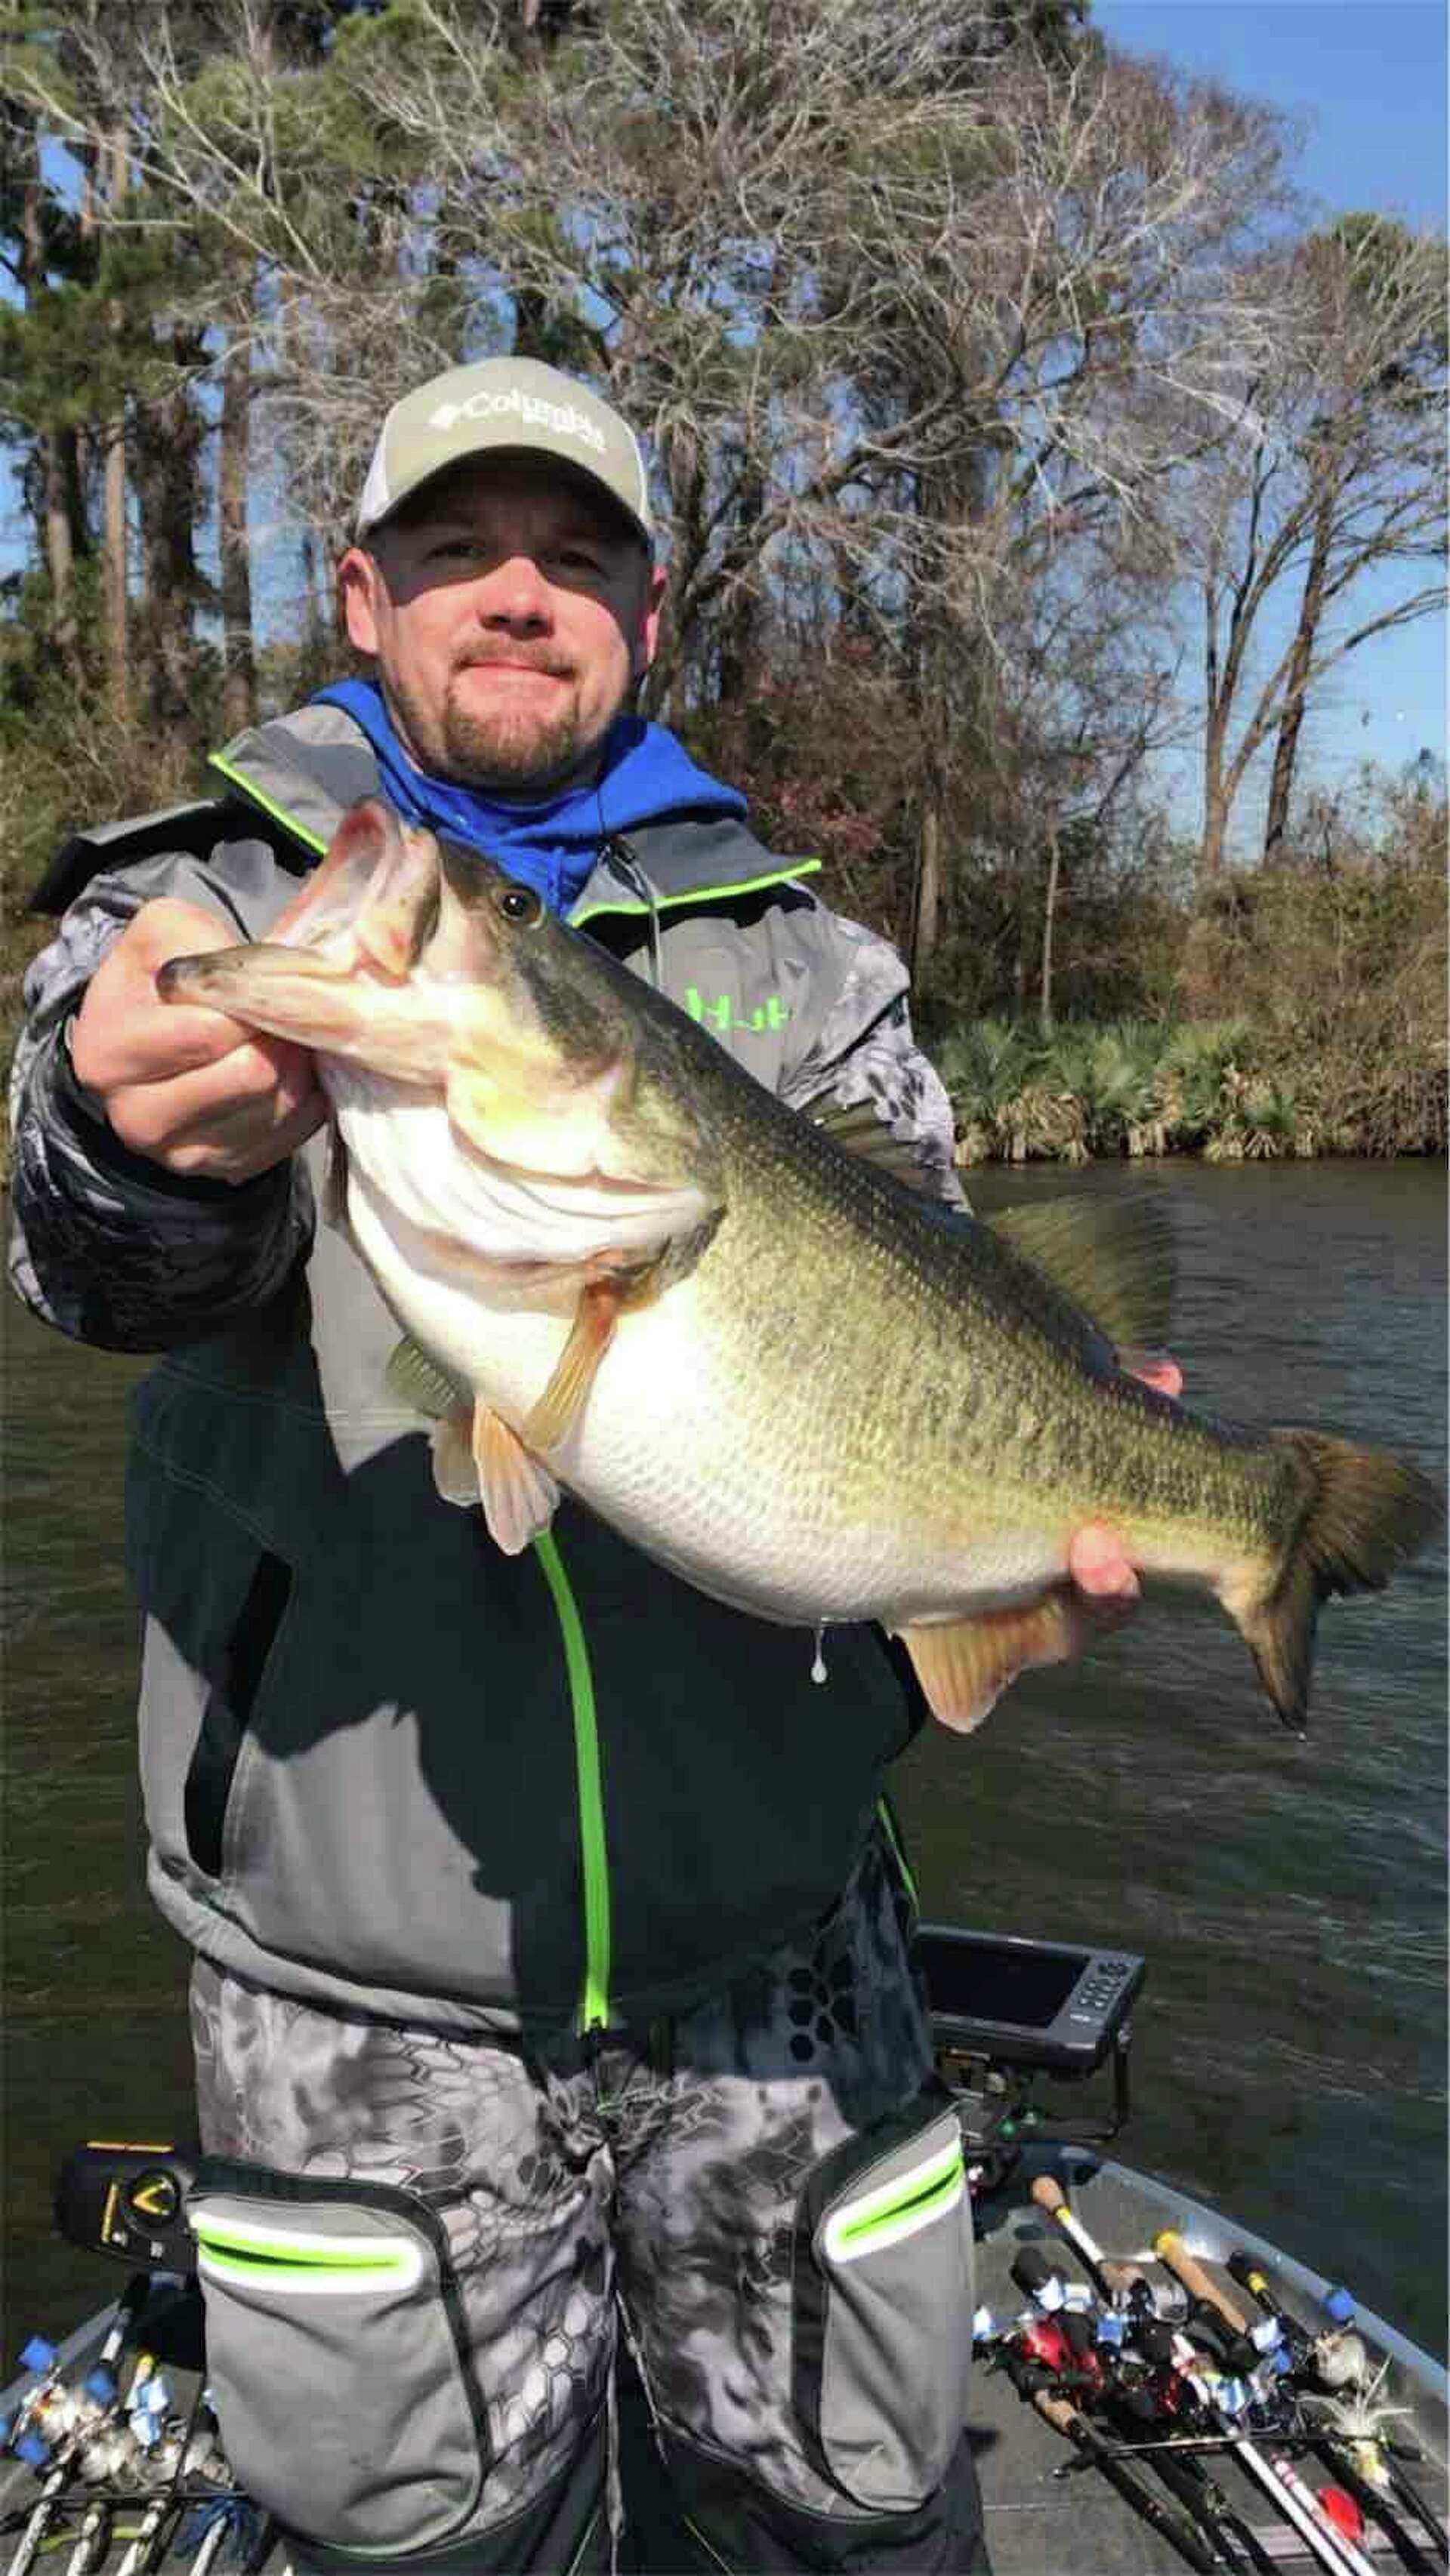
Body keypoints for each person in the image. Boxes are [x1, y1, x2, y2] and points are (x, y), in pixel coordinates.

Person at [9, 356, 1149, 2575]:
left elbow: (929, 1317)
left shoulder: (810, 963)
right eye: (455, 549)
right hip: (359, 1997)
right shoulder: (216, 898)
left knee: (844, 2513)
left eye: (574, 555)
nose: (515, 594)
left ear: (646, 607)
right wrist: (122, 1139)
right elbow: (85, 1252)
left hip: (787, 1963)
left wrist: (1014, 1563)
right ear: (360, 594)